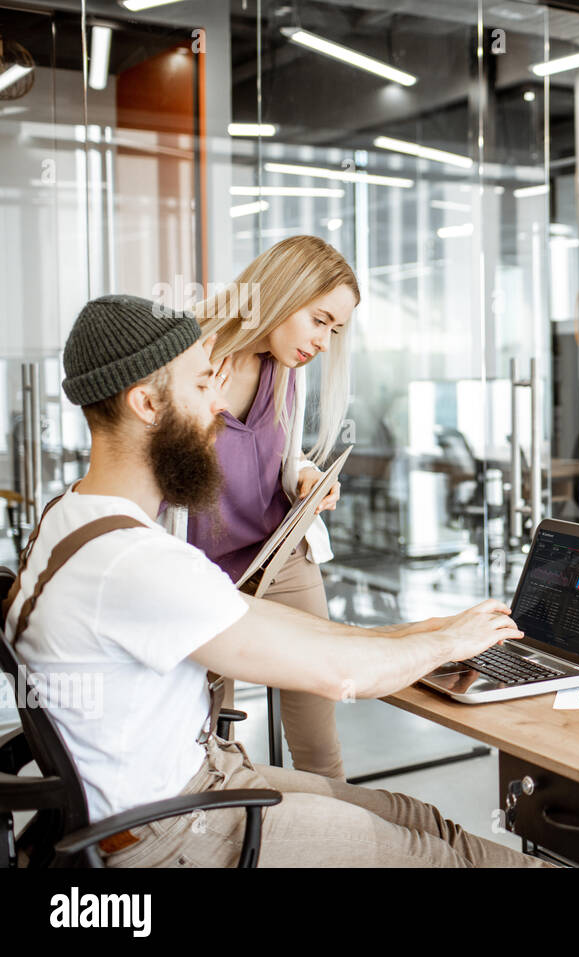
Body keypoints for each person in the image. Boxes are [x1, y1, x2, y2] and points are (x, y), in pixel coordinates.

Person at [4, 294, 543, 867]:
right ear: (146, 404)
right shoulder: (134, 562)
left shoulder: (70, 516)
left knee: (420, 818)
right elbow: (340, 676)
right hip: (172, 829)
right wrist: (450, 645)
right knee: (445, 856)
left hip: (197, 780)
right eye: (201, 385)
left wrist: (430, 628)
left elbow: (271, 626)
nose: (218, 407)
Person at [185, 235, 356, 780]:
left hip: (281, 557)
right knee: (206, 739)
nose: (325, 341)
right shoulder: (189, 356)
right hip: (201, 573)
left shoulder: (286, 367)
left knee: (319, 732)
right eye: (320, 320)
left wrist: (304, 472)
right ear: (284, 293)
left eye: (336, 330)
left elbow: (276, 449)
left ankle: (336, 848)